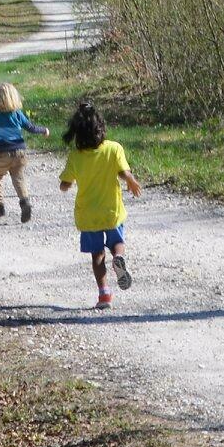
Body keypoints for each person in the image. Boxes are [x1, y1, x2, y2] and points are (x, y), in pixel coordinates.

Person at [57, 100, 142, 309]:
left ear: (77, 133)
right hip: (111, 209)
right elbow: (124, 172)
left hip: (88, 214)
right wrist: (131, 181)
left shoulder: (76, 156)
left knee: (97, 256)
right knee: (117, 242)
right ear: (101, 128)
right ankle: (119, 258)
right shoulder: (114, 149)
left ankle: (104, 295)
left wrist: (65, 185)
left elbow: (65, 184)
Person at [0, 81, 51, 221]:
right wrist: (44, 130)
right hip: (20, 152)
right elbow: (31, 128)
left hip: (3, 154)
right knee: (18, 178)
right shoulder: (17, 114)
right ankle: (24, 202)